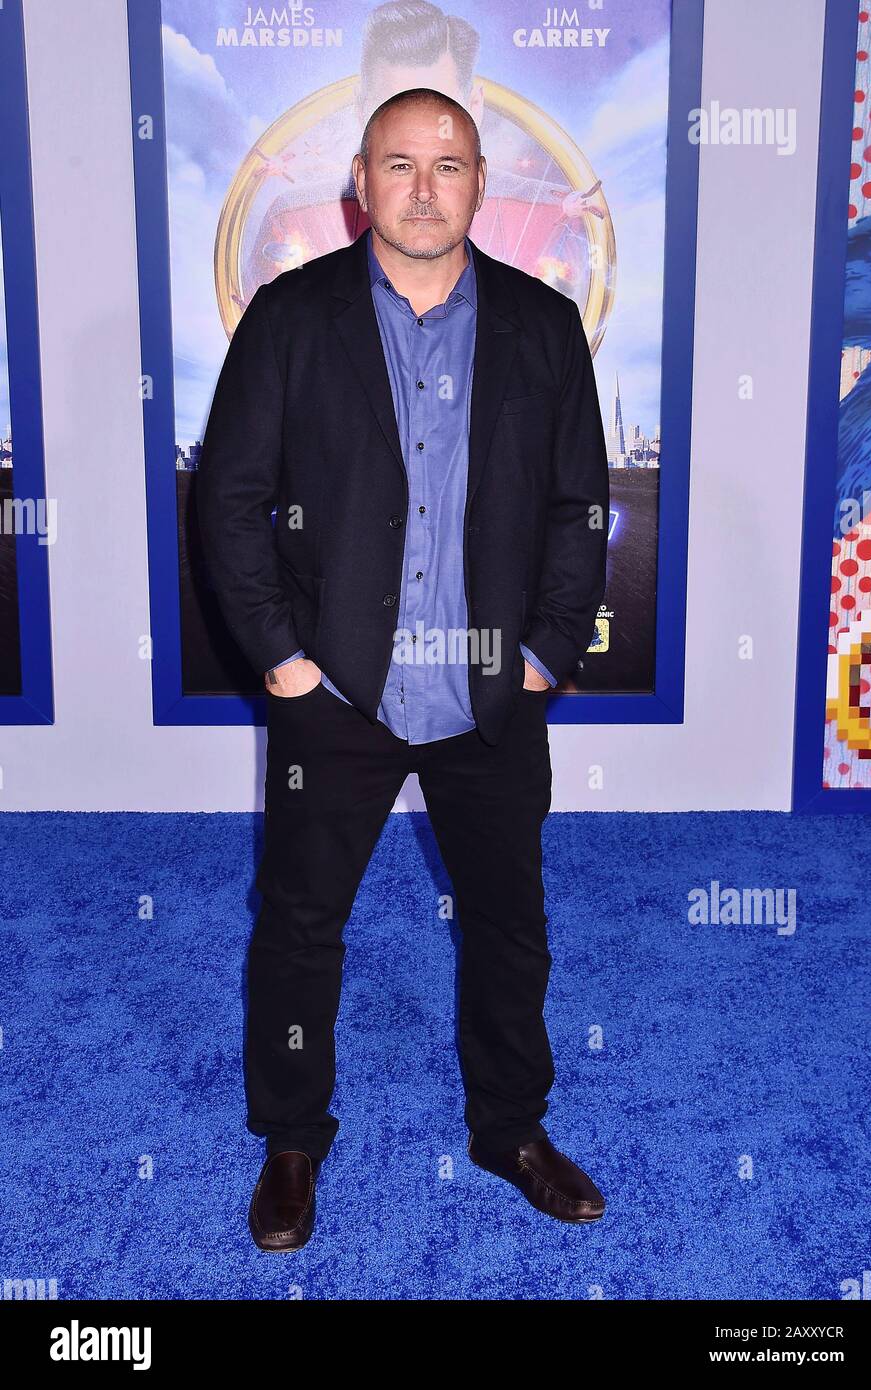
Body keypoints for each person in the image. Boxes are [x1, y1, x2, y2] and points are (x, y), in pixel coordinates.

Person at [197, 86, 610, 1252]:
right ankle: (290, 1136)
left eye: (448, 164)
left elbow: (580, 509)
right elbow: (228, 504)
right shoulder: (288, 318)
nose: (424, 189)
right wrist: (280, 661)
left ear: (481, 184)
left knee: (509, 922)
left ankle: (510, 1127)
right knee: (296, 924)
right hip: (334, 691)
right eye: (398, 164)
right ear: (360, 185)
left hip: (491, 685)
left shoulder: (542, 325)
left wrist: (543, 653)